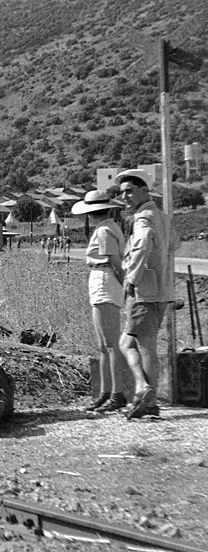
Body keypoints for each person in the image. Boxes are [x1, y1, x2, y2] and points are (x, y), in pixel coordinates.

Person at [117, 169, 174, 419]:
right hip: (160, 289)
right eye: (122, 192)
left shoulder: (143, 219)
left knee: (145, 345)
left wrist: (131, 279)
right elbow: (175, 244)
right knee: (128, 342)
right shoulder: (160, 216)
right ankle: (144, 388)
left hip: (144, 291)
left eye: (130, 190)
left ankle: (148, 398)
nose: (125, 196)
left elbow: (140, 249)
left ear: (144, 191)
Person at [71, 191, 128, 413]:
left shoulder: (104, 231)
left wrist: (126, 287)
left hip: (105, 280)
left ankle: (117, 393)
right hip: (100, 279)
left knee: (110, 344)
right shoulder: (106, 228)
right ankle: (106, 393)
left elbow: (115, 262)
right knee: (104, 345)